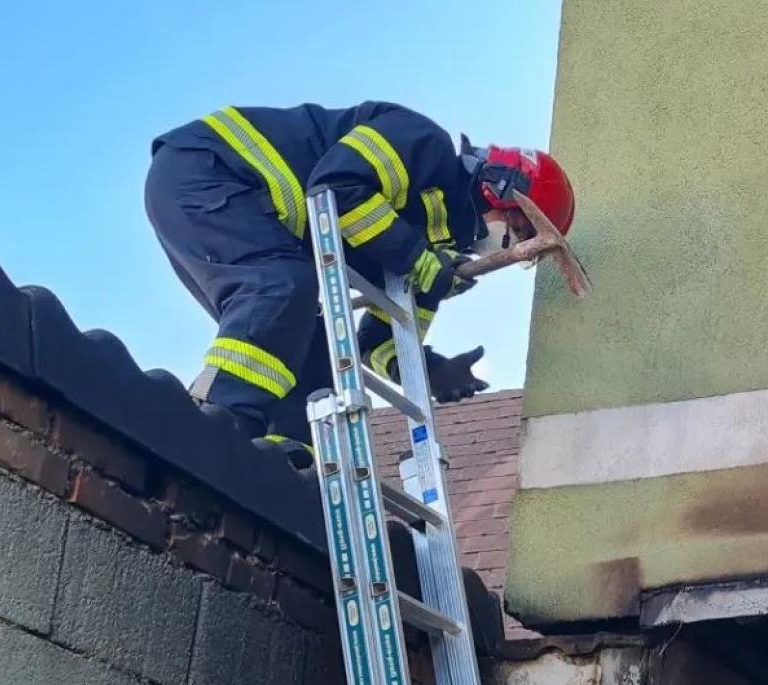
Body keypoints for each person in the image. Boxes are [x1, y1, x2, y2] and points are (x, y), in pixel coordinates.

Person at [144, 102, 576, 453]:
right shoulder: (424, 145)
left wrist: (433, 370)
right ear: (499, 186)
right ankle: (211, 426)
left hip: (238, 209)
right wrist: (417, 261)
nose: (509, 245)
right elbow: (334, 189)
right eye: (519, 229)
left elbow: (376, 348)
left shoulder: (427, 252)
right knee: (279, 288)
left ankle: (277, 468)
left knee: (313, 357)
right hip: (210, 168)